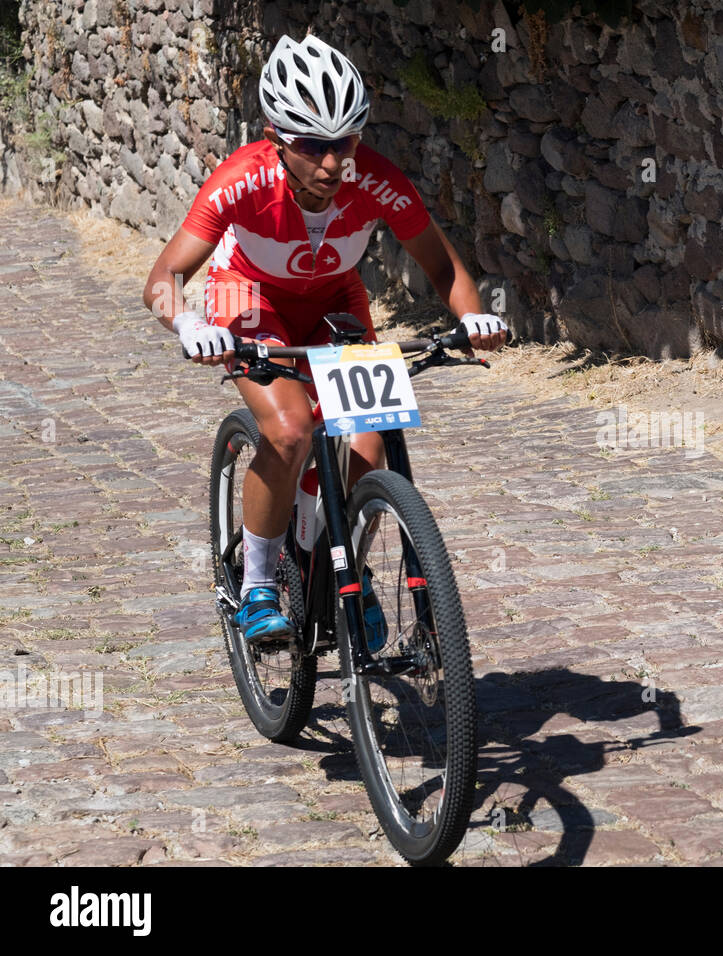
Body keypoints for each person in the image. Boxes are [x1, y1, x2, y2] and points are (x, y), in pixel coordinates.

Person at [142, 34, 507, 644]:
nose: (334, 164)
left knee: (369, 445)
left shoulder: (377, 180)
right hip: (247, 294)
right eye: (314, 147)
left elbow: (442, 267)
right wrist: (189, 324)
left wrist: (473, 318)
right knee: (290, 430)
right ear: (279, 138)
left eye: (346, 143)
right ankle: (257, 585)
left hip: (335, 299)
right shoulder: (242, 179)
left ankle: (332, 566)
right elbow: (163, 277)